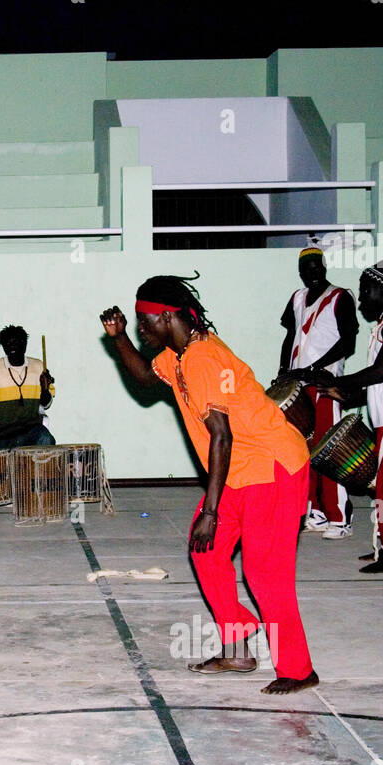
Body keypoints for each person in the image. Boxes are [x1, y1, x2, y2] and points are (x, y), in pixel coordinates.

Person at [99, 274, 318, 694]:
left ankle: (298, 669)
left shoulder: (203, 359)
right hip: (238, 469)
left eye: (143, 322)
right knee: (207, 551)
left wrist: (212, 510)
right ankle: (237, 647)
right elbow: (145, 378)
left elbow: (221, 434)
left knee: (264, 573)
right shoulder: (178, 354)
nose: (141, 329)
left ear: (166, 317)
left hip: (271, 468)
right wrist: (119, 338)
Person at [303, 256, 383, 574]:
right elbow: (378, 382)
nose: (362, 298)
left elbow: (379, 372)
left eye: (365, 289)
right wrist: (342, 393)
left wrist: (336, 381)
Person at [277, 245, 359, 539]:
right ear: (300, 272)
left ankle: (341, 516)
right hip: (299, 384)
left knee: (329, 449)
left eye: (316, 268)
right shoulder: (297, 298)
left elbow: (348, 341)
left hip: (325, 383)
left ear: (324, 268)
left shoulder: (340, 296)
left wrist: (314, 368)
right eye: (305, 269)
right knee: (304, 450)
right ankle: (318, 511)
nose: (311, 273)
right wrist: (283, 372)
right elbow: (290, 336)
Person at [0, 325, 55, 450]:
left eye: (15, 342)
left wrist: (45, 388)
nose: (11, 346)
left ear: (24, 344)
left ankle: (40, 470)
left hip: (30, 430)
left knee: (46, 438)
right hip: (1, 435)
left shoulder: (39, 366)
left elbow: (46, 404)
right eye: (7, 343)